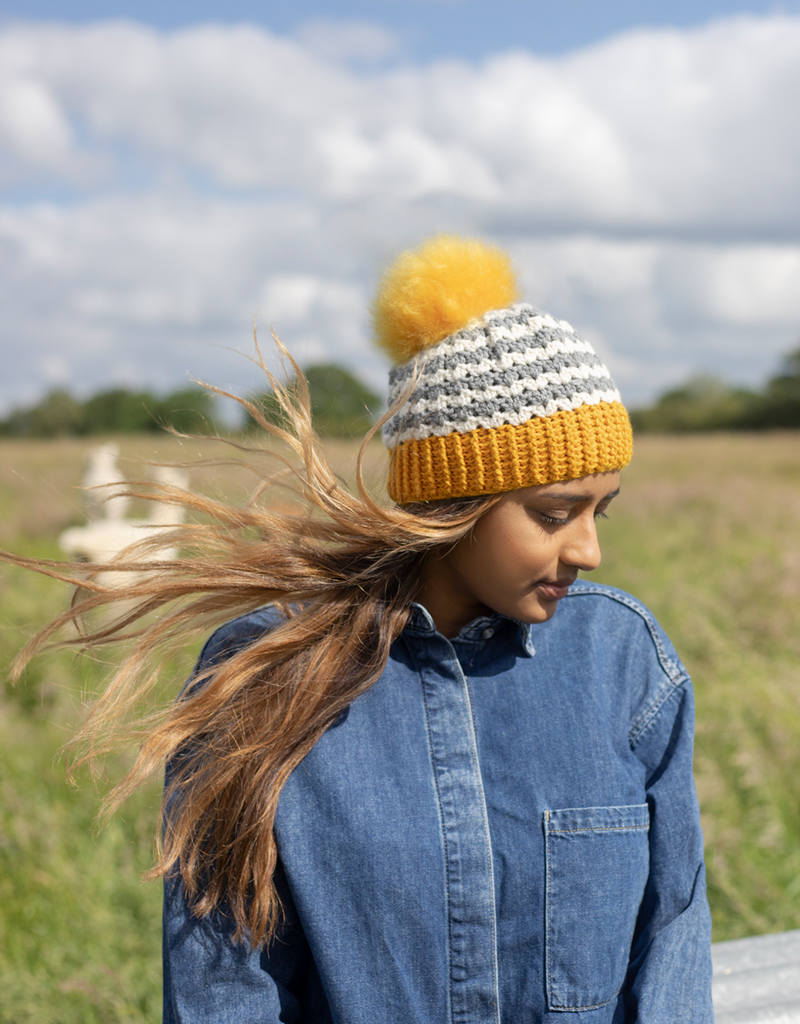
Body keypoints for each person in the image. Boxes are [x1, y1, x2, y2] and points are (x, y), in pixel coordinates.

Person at [12, 235, 714, 1022]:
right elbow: (225, 986)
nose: (588, 549)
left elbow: (673, 935)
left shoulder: (623, 664)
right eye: (554, 513)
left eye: (601, 509)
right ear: (454, 501)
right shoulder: (266, 673)